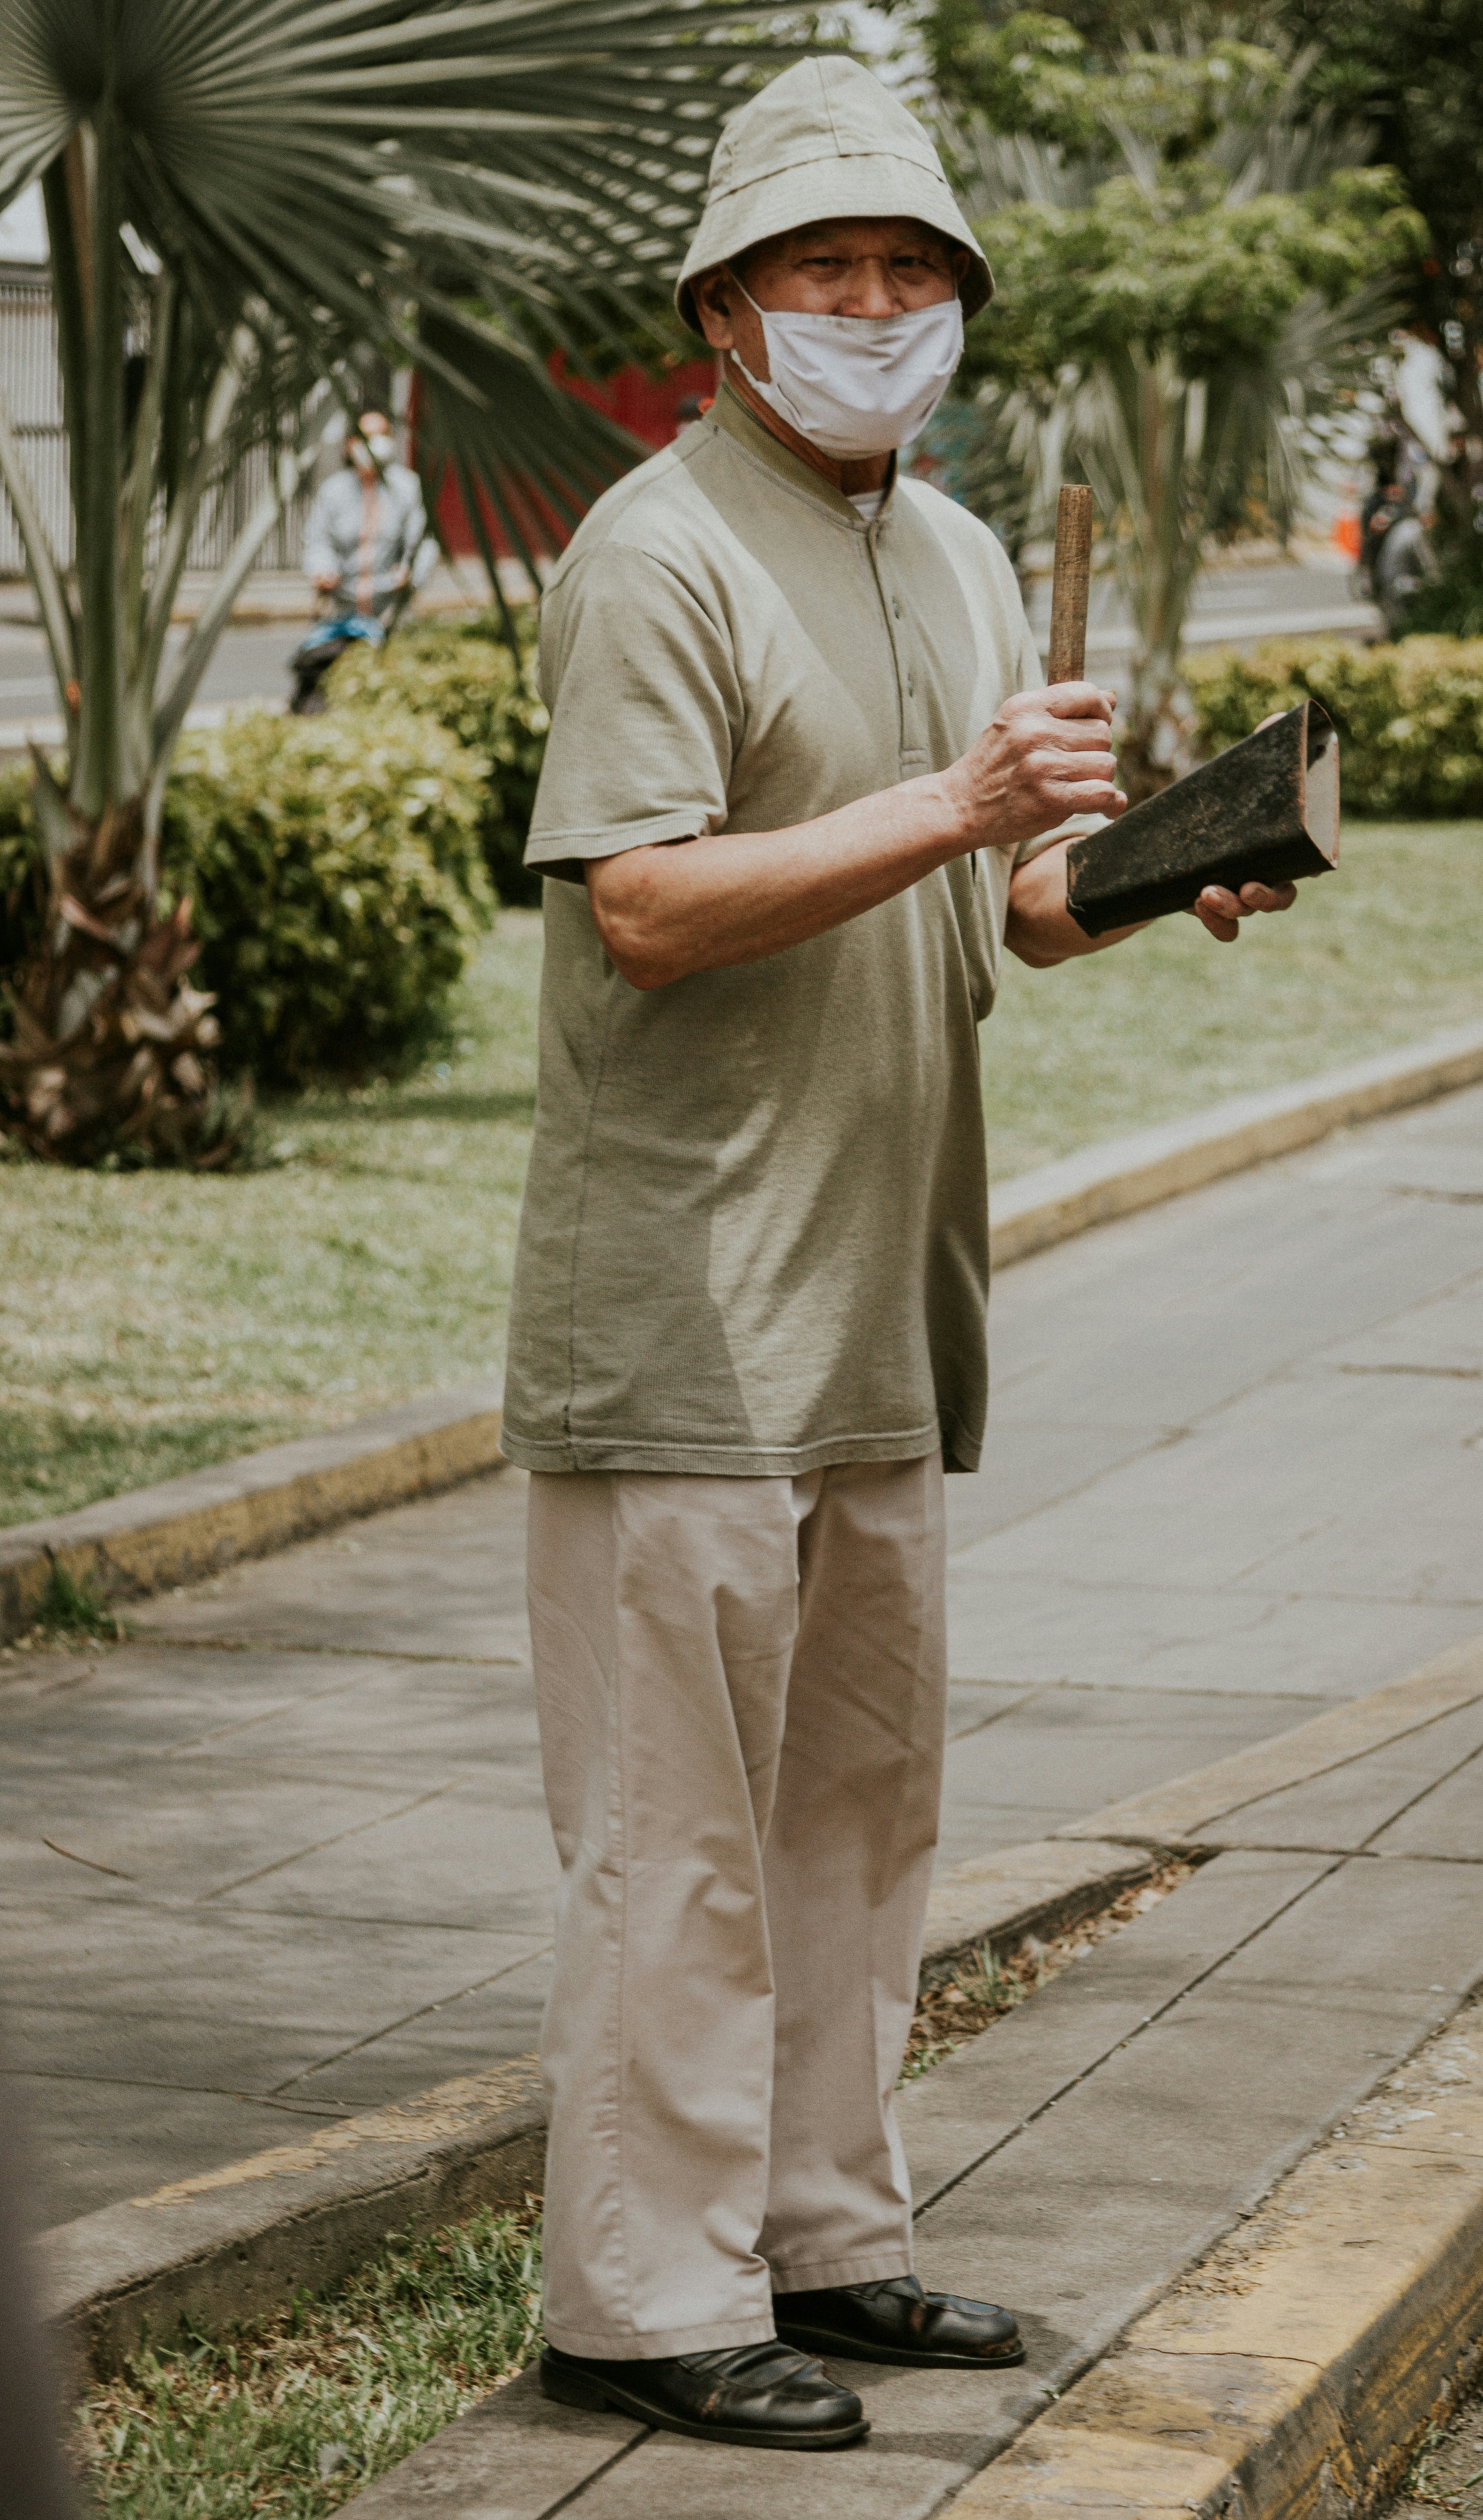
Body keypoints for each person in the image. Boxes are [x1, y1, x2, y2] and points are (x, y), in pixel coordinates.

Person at [500, 56, 1296, 2456]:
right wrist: (952, 797)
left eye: (906, 269)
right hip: (683, 1304)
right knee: (672, 1839)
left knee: (854, 1813)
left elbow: (1003, 906)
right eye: (820, 268)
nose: (870, 304)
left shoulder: (942, 551)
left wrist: (1143, 872)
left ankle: (824, 2235)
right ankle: (639, 2295)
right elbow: (644, 905)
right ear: (722, 308)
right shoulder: (655, 550)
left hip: (879, 1296)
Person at [300, 411, 437, 623]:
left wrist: (410, 573)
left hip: (392, 609)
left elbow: (423, 542)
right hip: (341, 607)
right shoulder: (333, 490)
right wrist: (323, 570)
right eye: (368, 436)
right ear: (350, 444)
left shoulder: (407, 487)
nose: (376, 442)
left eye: (382, 435)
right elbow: (318, 541)